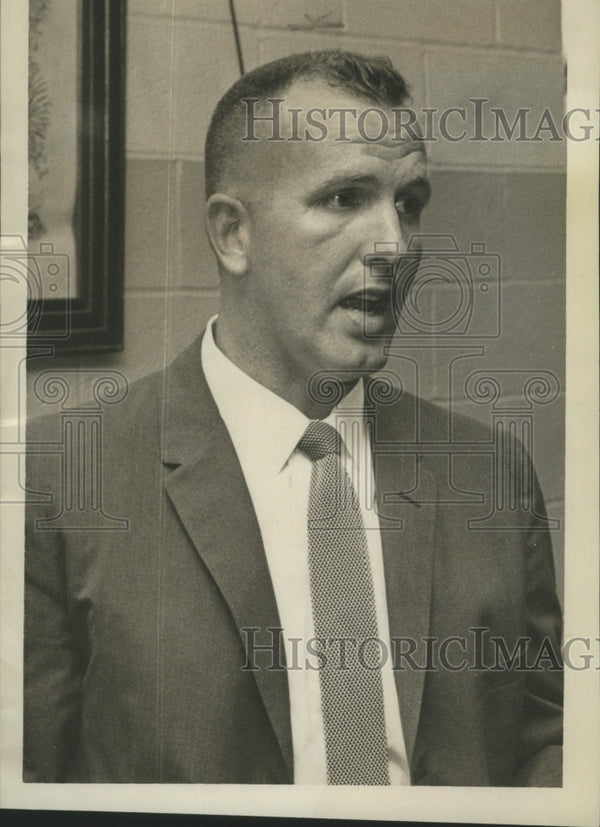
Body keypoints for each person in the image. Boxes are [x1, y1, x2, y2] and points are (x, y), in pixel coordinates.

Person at [24, 51, 563, 785]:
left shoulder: (492, 473)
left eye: (408, 204)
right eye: (344, 198)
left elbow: (546, 743)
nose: (394, 245)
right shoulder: (60, 479)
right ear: (233, 234)